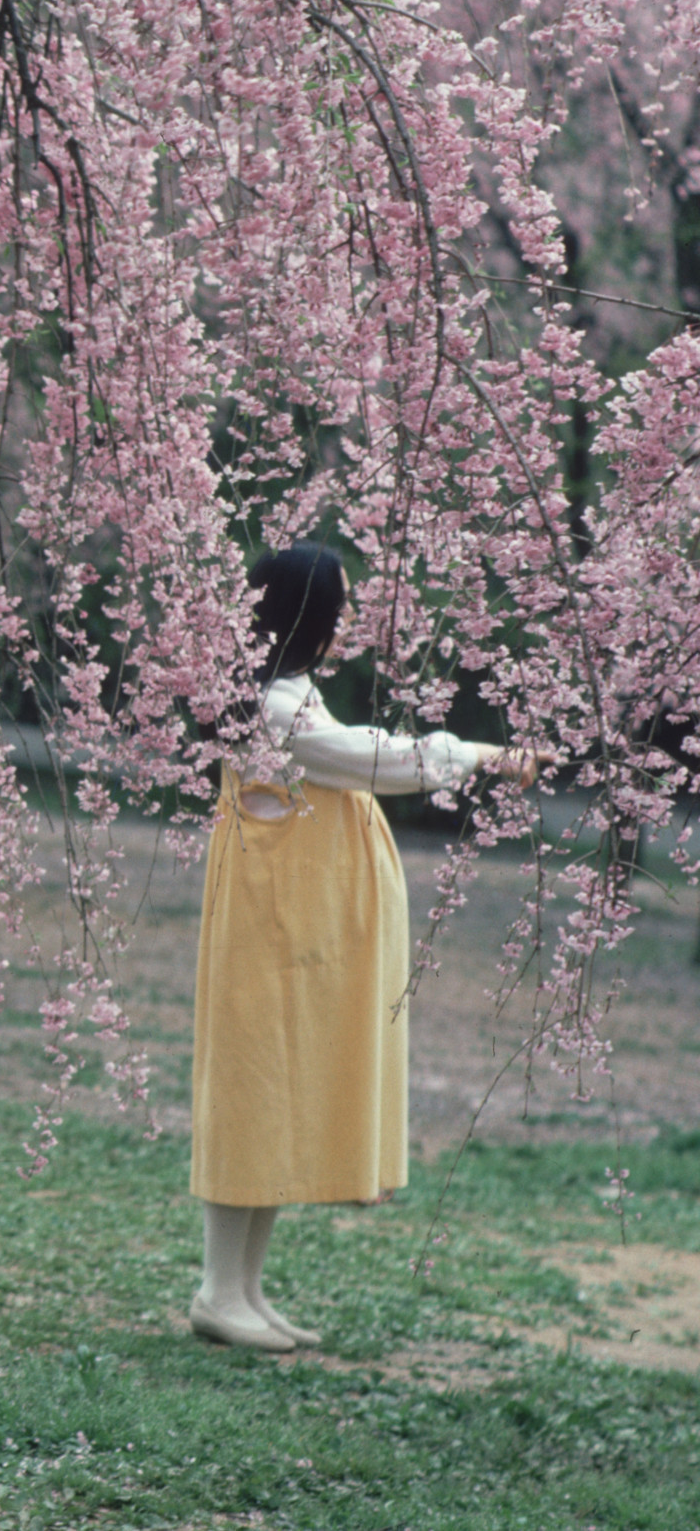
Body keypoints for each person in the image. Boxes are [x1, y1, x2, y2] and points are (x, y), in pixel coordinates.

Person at [189, 545, 542, 1352]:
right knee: (253, 1088)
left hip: (285, 924)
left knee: (274, 1088)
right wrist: (480, 754)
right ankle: (218, 1288)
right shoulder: (274, 710)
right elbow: (376, 760)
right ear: (308, 615)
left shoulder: (290, 697)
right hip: (266, 928)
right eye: (337, 607)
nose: (344, 621)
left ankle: (242, 1288)